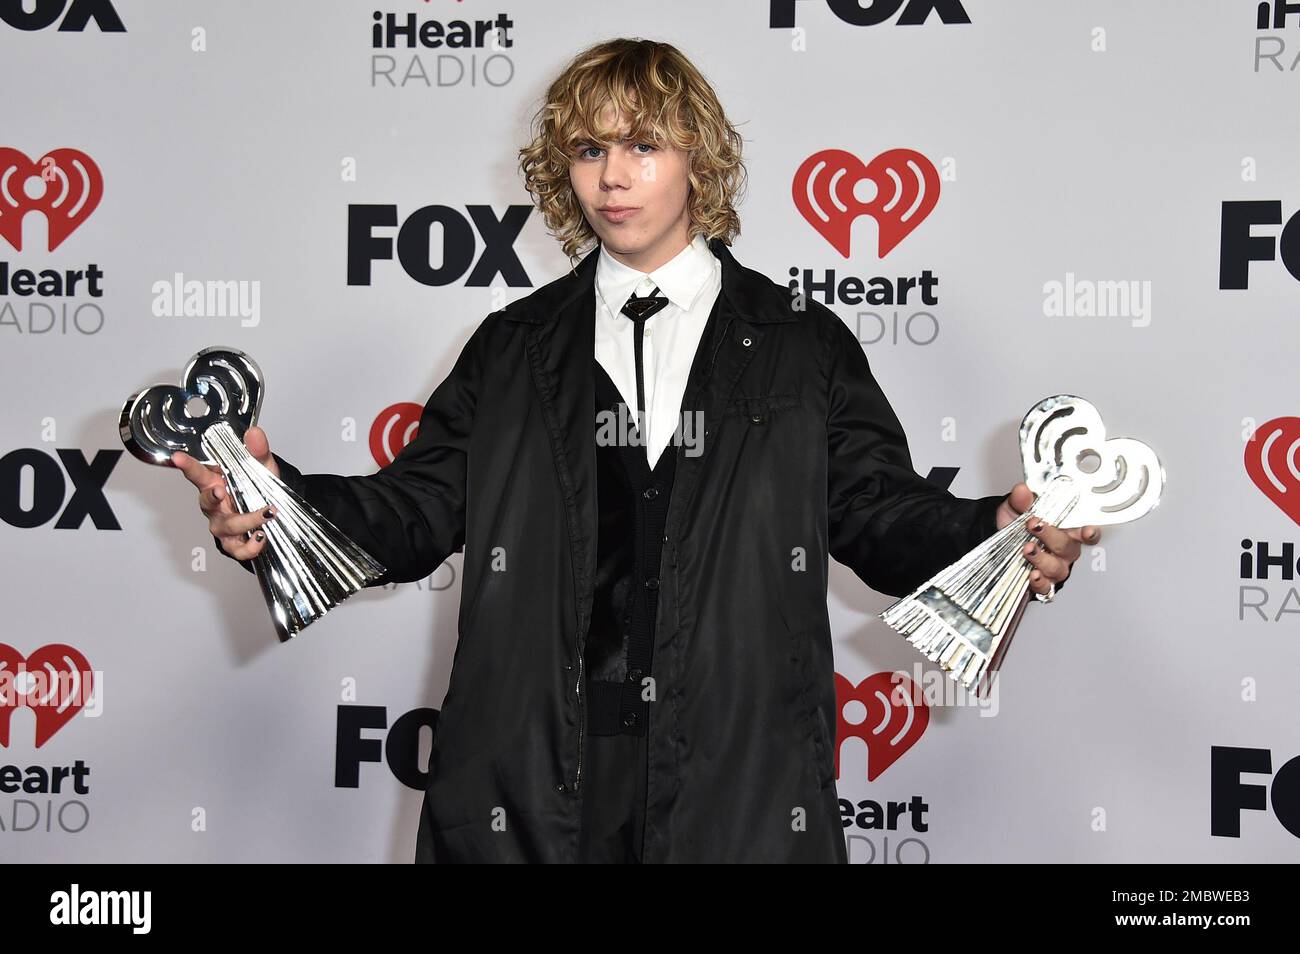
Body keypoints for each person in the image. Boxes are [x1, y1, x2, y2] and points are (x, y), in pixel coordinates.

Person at [173, 38, 1099, 863]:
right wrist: (277, 501)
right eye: (588, 150)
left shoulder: (800, 344)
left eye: (642, 145)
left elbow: (877, 514)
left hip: (734, 784)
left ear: (698, 158)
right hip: (534, 786)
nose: (612, 176)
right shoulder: (511, 347)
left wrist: (995, 532)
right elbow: (413, 514)